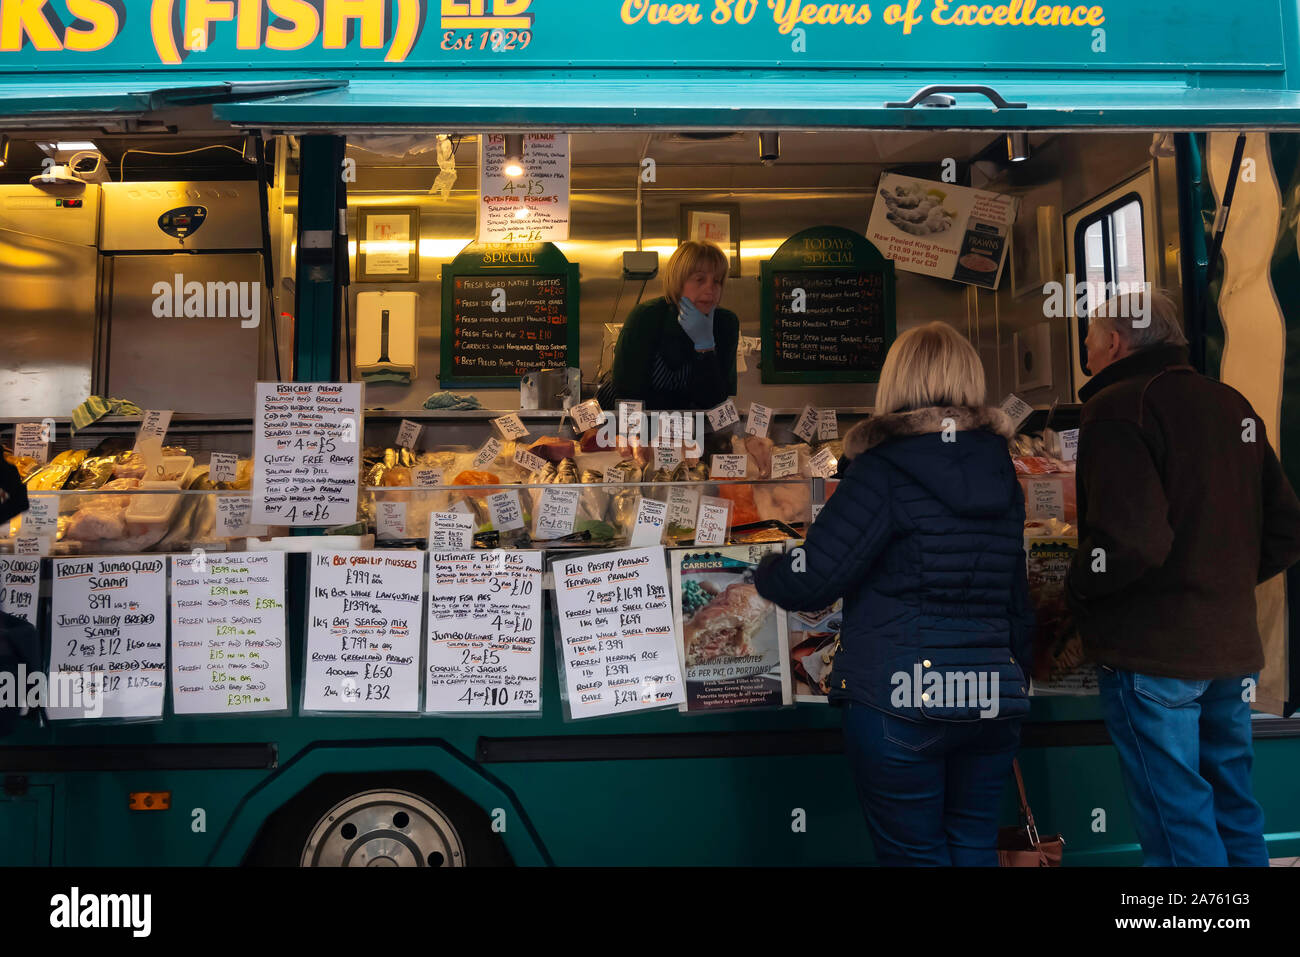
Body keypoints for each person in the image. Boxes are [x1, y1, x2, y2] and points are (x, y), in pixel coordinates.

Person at [754, 322, 1033, 866]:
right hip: (991, 698)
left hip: (902, 701)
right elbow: (1016, 597)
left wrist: (760, 570)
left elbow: (814, 577)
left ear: (896, 382)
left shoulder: (881, 469)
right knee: (974, 846)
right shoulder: (1001, 469)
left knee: (915, 857)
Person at [1067, 289, 1300, 867]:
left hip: (1155, 652)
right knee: (1233, 806)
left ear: (1115, 342)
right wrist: (1221, 580)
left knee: (1178, 819)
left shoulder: (1116, 408)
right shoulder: (1232, 405)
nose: (1087, 348)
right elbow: (1288, 529)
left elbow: (1132, 542)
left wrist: (1076, 587)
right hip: (1229, 648)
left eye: (1092, 336)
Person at [610, 240, 740, 410]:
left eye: (717, 281)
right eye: (700, 279)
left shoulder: (726, 323)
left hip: (695, 431)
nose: (710, 288)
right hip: (636, 428)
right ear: (678, 283)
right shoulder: (645, 317)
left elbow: (716, 400)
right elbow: (626, 392)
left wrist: (705, 347)